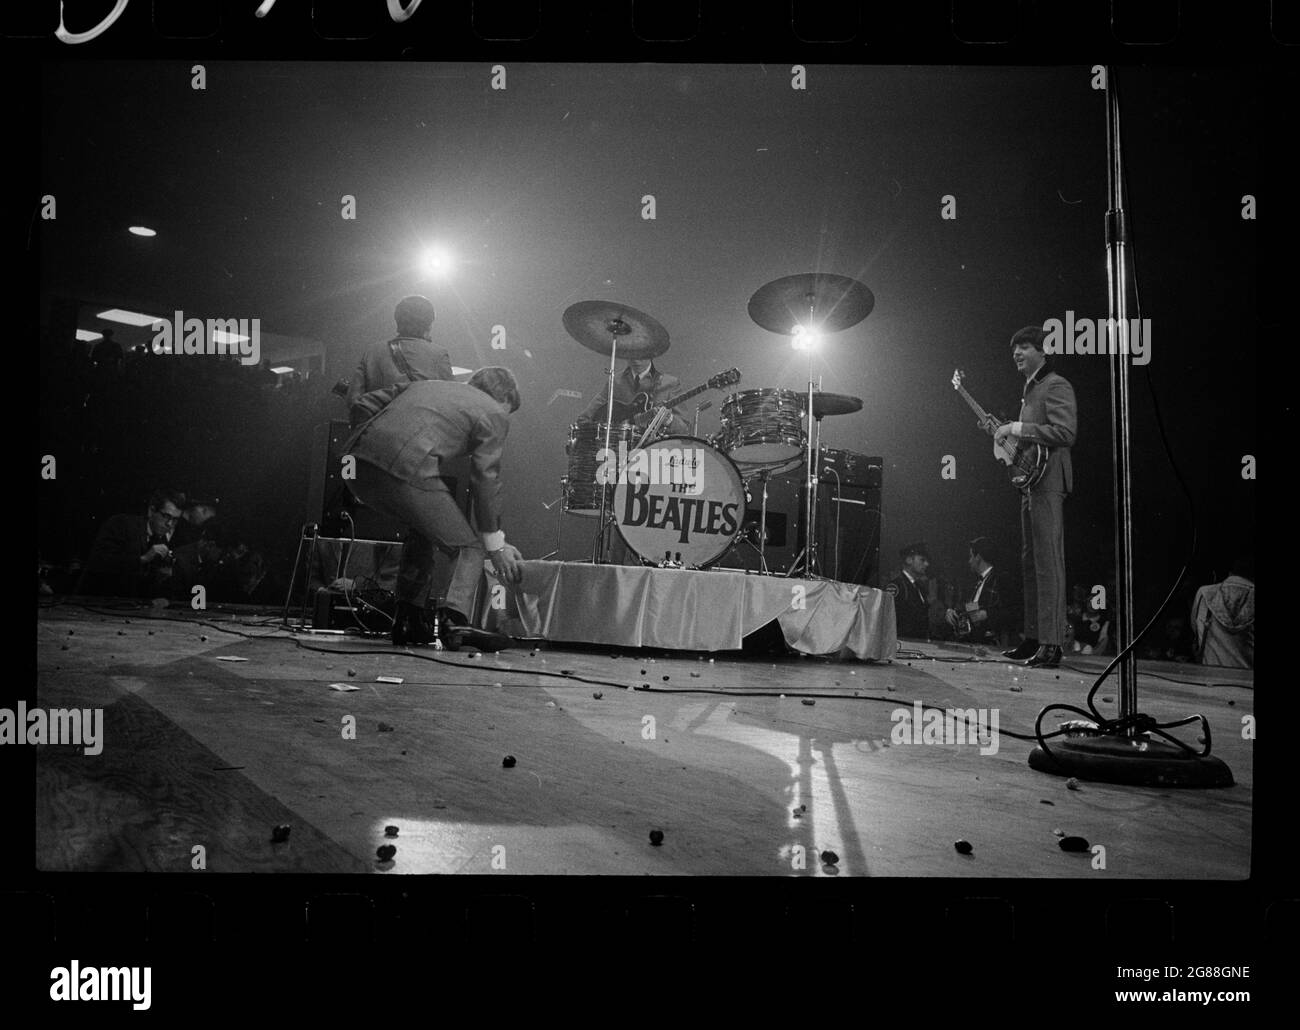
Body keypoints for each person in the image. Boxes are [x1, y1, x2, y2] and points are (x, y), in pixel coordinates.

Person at [344, 367, 524, 650]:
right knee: (468, 547)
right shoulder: (494, 412)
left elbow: (361, 404)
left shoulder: (424, 385)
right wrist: (496, 545)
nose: (505, 416)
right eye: (508, 409)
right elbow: (485, 481)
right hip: (406, 466)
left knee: (423, 530)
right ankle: (455, 622)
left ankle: (408, 619)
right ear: (503, 397)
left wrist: (373, 444)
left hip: (354, 467)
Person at [996, 325, 1077, 669]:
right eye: (1015, 347)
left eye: (1025, 347)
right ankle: (1033, 637)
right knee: (1031, 562)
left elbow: (1065, 432)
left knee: (1048, 562)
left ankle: (1052, 643)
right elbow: (1031, 443)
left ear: (1043, 352)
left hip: (1049, 482)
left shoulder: (1055, 384)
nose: (1016, 352)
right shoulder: (1029, 390)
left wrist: (1015, 428)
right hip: (1031, 480)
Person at [347, 295, 453, 426]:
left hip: (377, 436)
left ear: (398, 321)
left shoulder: (373, 352)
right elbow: (450, 403)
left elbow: (353, 399)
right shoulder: (438, 354)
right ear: (429, 324)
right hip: (419, 437)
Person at [78, 489, 185, 598]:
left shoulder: (162, 541)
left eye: (175, 520)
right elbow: (100, 561)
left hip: (126, 606)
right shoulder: (121, 524)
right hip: (93, 600)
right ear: (151, 511)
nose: (169, 524)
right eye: (166, 516)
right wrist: (143, 559)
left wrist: (161, 577)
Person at [579, 358, 689, 437]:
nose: (636, 360)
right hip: (616, 454)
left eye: (642, 354)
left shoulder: (670, 383)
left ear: (652, 352)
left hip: (652, 456)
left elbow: (685, 430)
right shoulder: (616, 381)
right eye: (632, 353)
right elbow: (584, 419)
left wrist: (669, 420)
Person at [945, 536, 1014, 644]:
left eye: (971, 556)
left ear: (978, 557)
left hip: (993, 645)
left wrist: (987, 614)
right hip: (975, 643)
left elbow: (1013, 611)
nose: (969, 561)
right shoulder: (980, 582)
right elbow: (976, 606)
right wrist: (954, 611)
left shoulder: (1001, 578)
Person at [1191, 557, 1254, 668]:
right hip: (1246, 682)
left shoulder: (1204, 594)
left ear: (1230, 573)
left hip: (1209, 679)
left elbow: (1195, 631)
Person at [885, 542, 932, 639]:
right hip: (903, 644)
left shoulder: (920, 588)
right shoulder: (896, 586)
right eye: (922, 560)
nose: (927, 564)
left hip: (918, 644)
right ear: (909, 560)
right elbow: (888, 620)